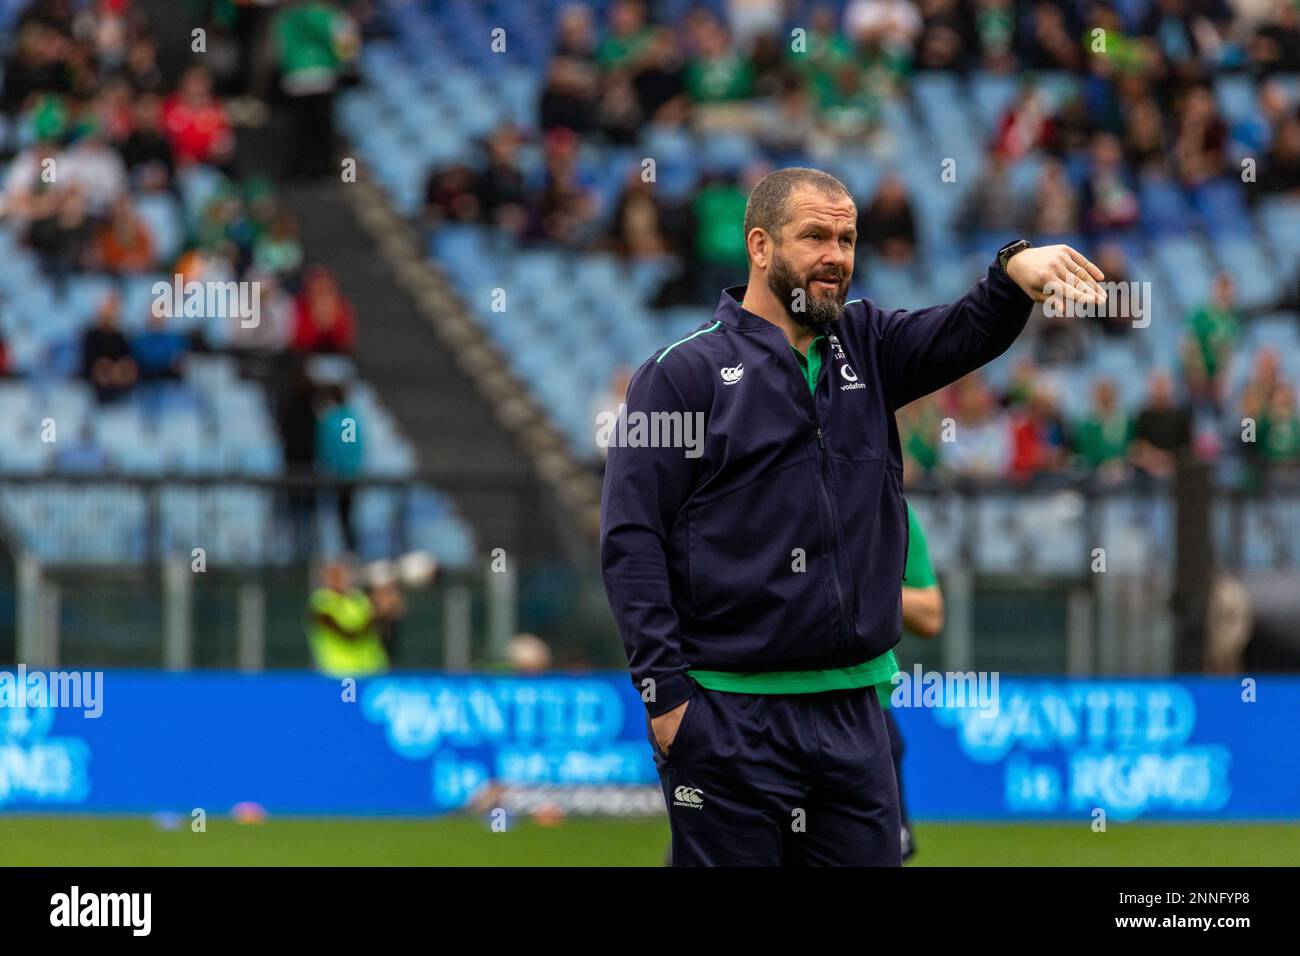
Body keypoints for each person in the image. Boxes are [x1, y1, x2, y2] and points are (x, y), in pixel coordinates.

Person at [600, 166, 1104, 866]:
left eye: (847, 237)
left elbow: (965, 332)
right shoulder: (681, 374)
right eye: (815, 236)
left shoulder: (868, 344)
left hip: (854, 718)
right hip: (726, 716)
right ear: (760, 246)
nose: (836, 254)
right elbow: (631, 541)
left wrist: (1014, 265)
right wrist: (668, 701)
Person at [877, 503, 943, 863]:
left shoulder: (889, 507)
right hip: (751, 708)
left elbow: (931, 614)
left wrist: (853, 587)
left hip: (866, 714)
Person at [305, 558, 388, 677]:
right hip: (338, 672)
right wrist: (376, 616)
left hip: (371, 669)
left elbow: (378, 627)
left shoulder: (358, 598)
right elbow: (348, 635)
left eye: (342, 575)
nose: (339, 579)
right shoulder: (321, 602)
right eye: (334, 576)